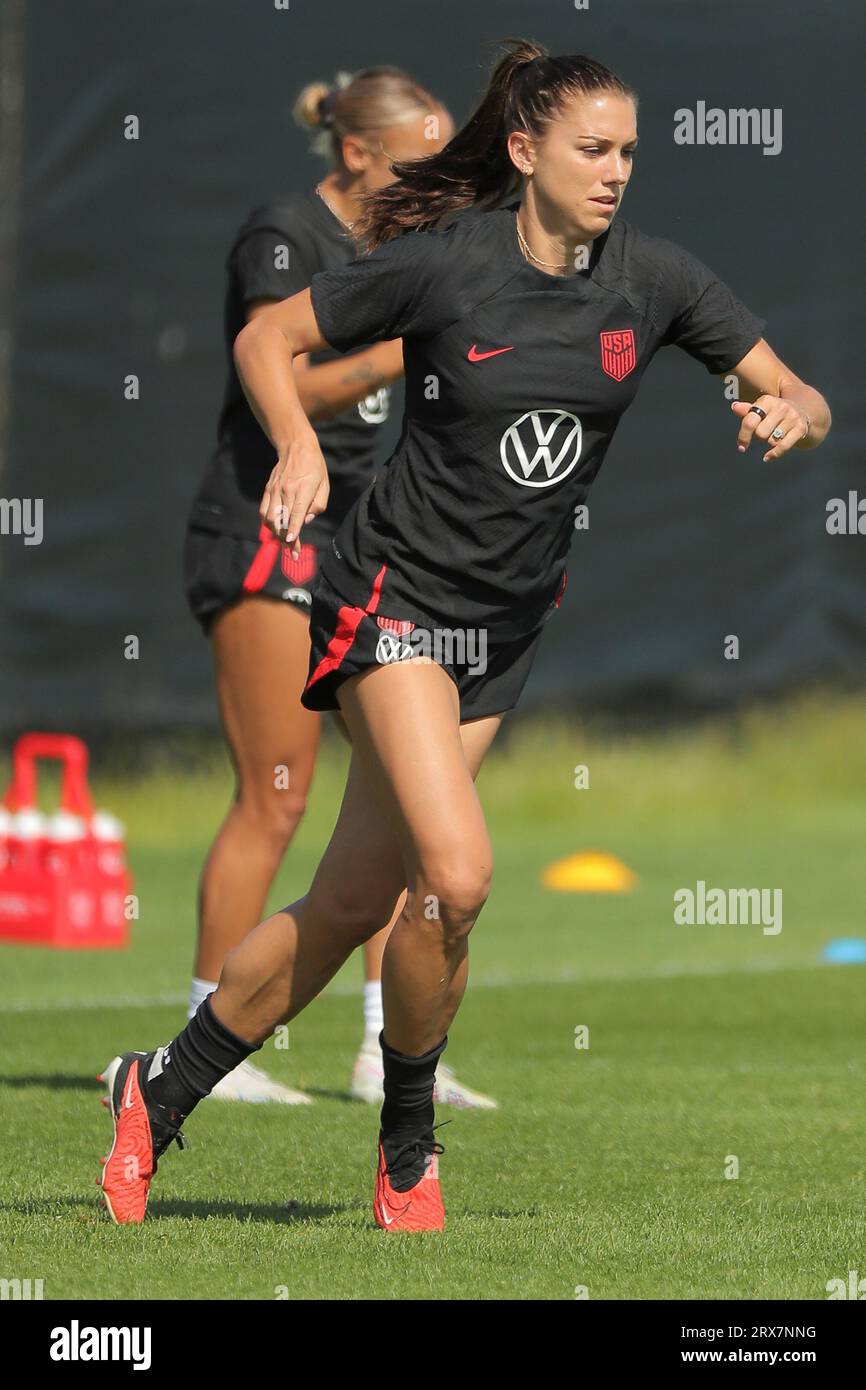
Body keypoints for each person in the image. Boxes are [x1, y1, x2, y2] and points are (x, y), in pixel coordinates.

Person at [97, 38, 830, 1230]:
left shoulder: (654, 279)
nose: (614, 173)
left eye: (629, 153)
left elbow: (801, 393)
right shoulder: (446, 265)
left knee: (350, 905)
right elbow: (263, 341)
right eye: (592, 150)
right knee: (460, 871)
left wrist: (783, 414)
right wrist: (292, 442)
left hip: (502, 630)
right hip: (392, 602)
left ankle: (156, 1089)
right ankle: (408, 1145)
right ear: (526, 150)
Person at [178, 66, 494, 1108]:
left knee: (410, 800)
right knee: (277, 793)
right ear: (356, 153)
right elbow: (285, 371)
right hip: (270, 524)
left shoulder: (405, 248)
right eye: (415, 162)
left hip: (364, 541)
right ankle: (201, 1038)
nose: (435, 183)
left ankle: (380, 1050)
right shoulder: (282, 232)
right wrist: (406, 347)